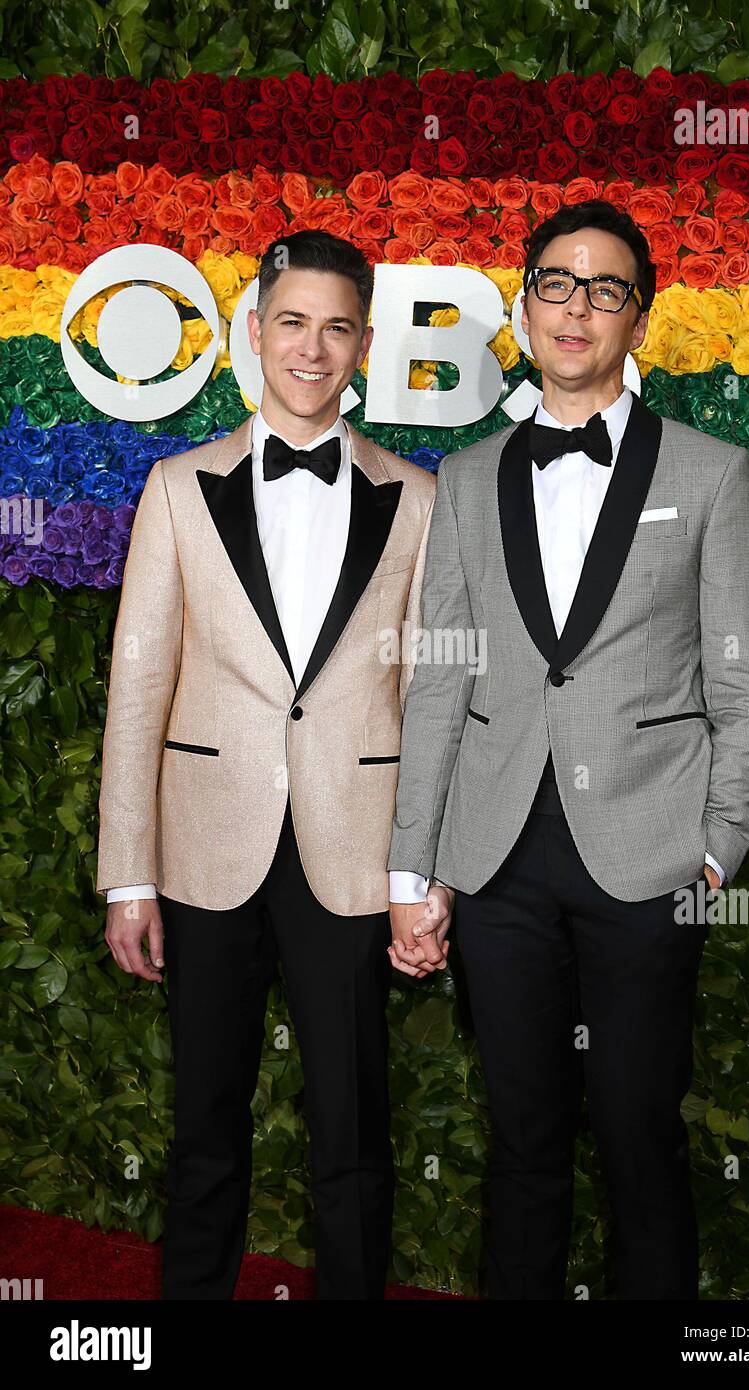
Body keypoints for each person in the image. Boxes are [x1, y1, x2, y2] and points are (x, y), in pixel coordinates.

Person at [387, 199, 749, 1299]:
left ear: (637, 321)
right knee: (520, 1143)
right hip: (496, 857)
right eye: (555, 284)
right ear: (522, 307)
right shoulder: (465, 477)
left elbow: (742, 682)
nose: (575, 307)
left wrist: (715, 853)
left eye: (604, 289)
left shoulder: (710, 474)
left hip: (650, 861)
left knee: (639, 1143)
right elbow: (438, 678)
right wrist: (412, 869)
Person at [96, 229, 439, 1299]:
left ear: (364, 345)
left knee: (351, 1136)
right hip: (204, 847)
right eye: (292, 321)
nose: (311, 346)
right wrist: (129, 875)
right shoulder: (177, 488)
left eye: (336, 326)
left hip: (353, 847)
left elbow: (431, 700)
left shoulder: (416, 499)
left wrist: (418, 879)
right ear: (254, 334)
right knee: (204, 1131)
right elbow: (138, 692)